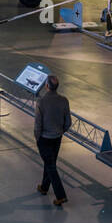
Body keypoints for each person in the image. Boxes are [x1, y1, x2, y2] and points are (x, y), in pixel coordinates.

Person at [34, 74, 72, 206]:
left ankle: (61, 196)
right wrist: (60, 132)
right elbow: (68, 122)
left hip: (44, 138)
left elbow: (38, 124)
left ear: (46, 86)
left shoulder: (41, 102)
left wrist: (37, 138)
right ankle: (44, 187)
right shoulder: (64, 100)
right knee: (50, 162)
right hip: (57, 138)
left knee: (50, 165)